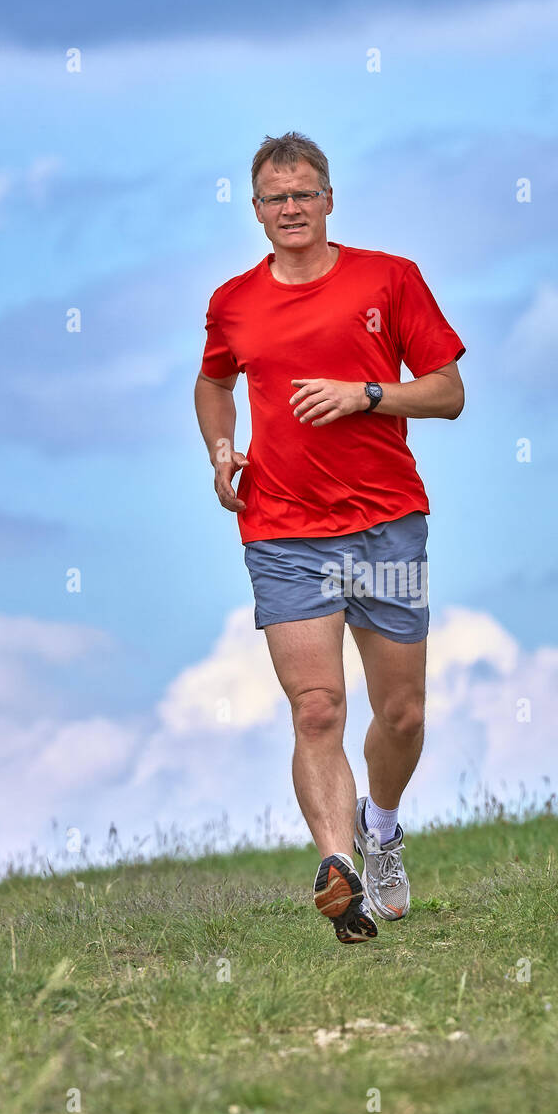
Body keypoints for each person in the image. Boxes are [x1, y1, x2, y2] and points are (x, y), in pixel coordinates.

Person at [195, 132, 465, 945]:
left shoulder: (390, 277)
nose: (290, 209)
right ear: (256, 211)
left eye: (304, 194)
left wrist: (367, 394)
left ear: (329, 199)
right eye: (275, 199)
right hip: (281, 529)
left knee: (404, 713)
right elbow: (214, 381)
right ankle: (338, 868)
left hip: (387, 523)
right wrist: (219, 450)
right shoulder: (234, 301)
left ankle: (381, 830)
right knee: (316, 711)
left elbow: (448, 393)